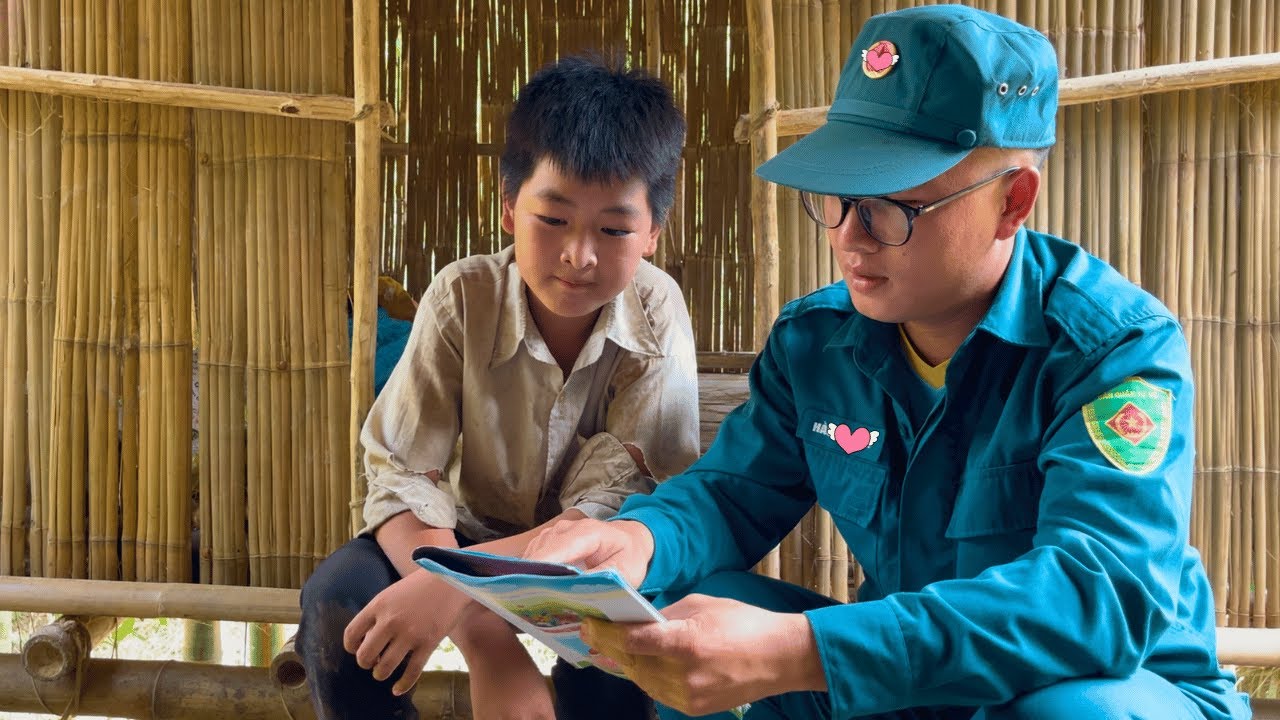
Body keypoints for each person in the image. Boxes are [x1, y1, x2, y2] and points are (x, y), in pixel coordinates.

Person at [524, 6, 1252, 720]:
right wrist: (637, 538)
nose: (850, 237)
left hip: (1117, 687)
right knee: (684, 619)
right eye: (838, 198)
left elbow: (1091, 600)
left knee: (1075, 711)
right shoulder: (816, 342)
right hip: (909, 684)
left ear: (1013, 201)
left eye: (893, 207)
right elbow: (730, 495)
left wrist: (806, 650)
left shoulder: (1113, 349)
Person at [297, 54, 700, 720]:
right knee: (342, 605)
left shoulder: (658, 313)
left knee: (637, 635)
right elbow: (402, 474)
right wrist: (486, 637)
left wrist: (458, 592)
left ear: (653, 232)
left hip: (595, 552)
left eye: (614, 229)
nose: (579, 255)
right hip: (452, 536)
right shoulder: (461, 296)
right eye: (554, 219)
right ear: (510, 206)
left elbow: (615, 508)